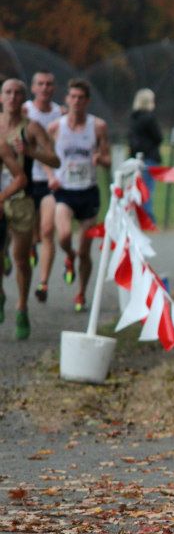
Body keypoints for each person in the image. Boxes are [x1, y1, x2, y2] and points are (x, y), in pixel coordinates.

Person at [1, 79, 56, 337]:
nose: (12, 97)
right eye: (7, 92)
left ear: (24, 99)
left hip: (22, 199)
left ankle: (22, 307)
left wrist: (32, 152)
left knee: (21, 259)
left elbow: (55, 159)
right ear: (1, 97)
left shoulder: (31, 128)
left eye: (17, 93)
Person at [47, 78, 107, 313]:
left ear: (87, 101)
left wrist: (100, 159)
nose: (76, 101)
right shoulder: (56, 127)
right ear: (66, 99)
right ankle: (68, 256)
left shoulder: (98, 126)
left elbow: (108, 157)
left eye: (81, 98)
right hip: (64, 191)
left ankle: (81, 292)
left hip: (88, 193)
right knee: (62, 236)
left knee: (85, 250)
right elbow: (45, 157)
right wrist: (51, 175)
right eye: (72, 97)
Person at [23, 70, 63, 302]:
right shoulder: (25, 111)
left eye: (49, 84)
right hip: (25, 180)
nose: (45, 88)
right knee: (28, 232)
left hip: (51, 181)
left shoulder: (60, 114)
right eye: (40, 83)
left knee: (48, 231)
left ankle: (43, 283)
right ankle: (26, 248)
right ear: (33, 87)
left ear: (54, 88)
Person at [127, 88, 163, 222]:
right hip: (149, 158)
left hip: (135, 158)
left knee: (137, 189)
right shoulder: (149, 118)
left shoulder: (133, 118)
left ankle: (138, 218)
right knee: (146, 190)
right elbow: (158, 137)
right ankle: (148, 220)